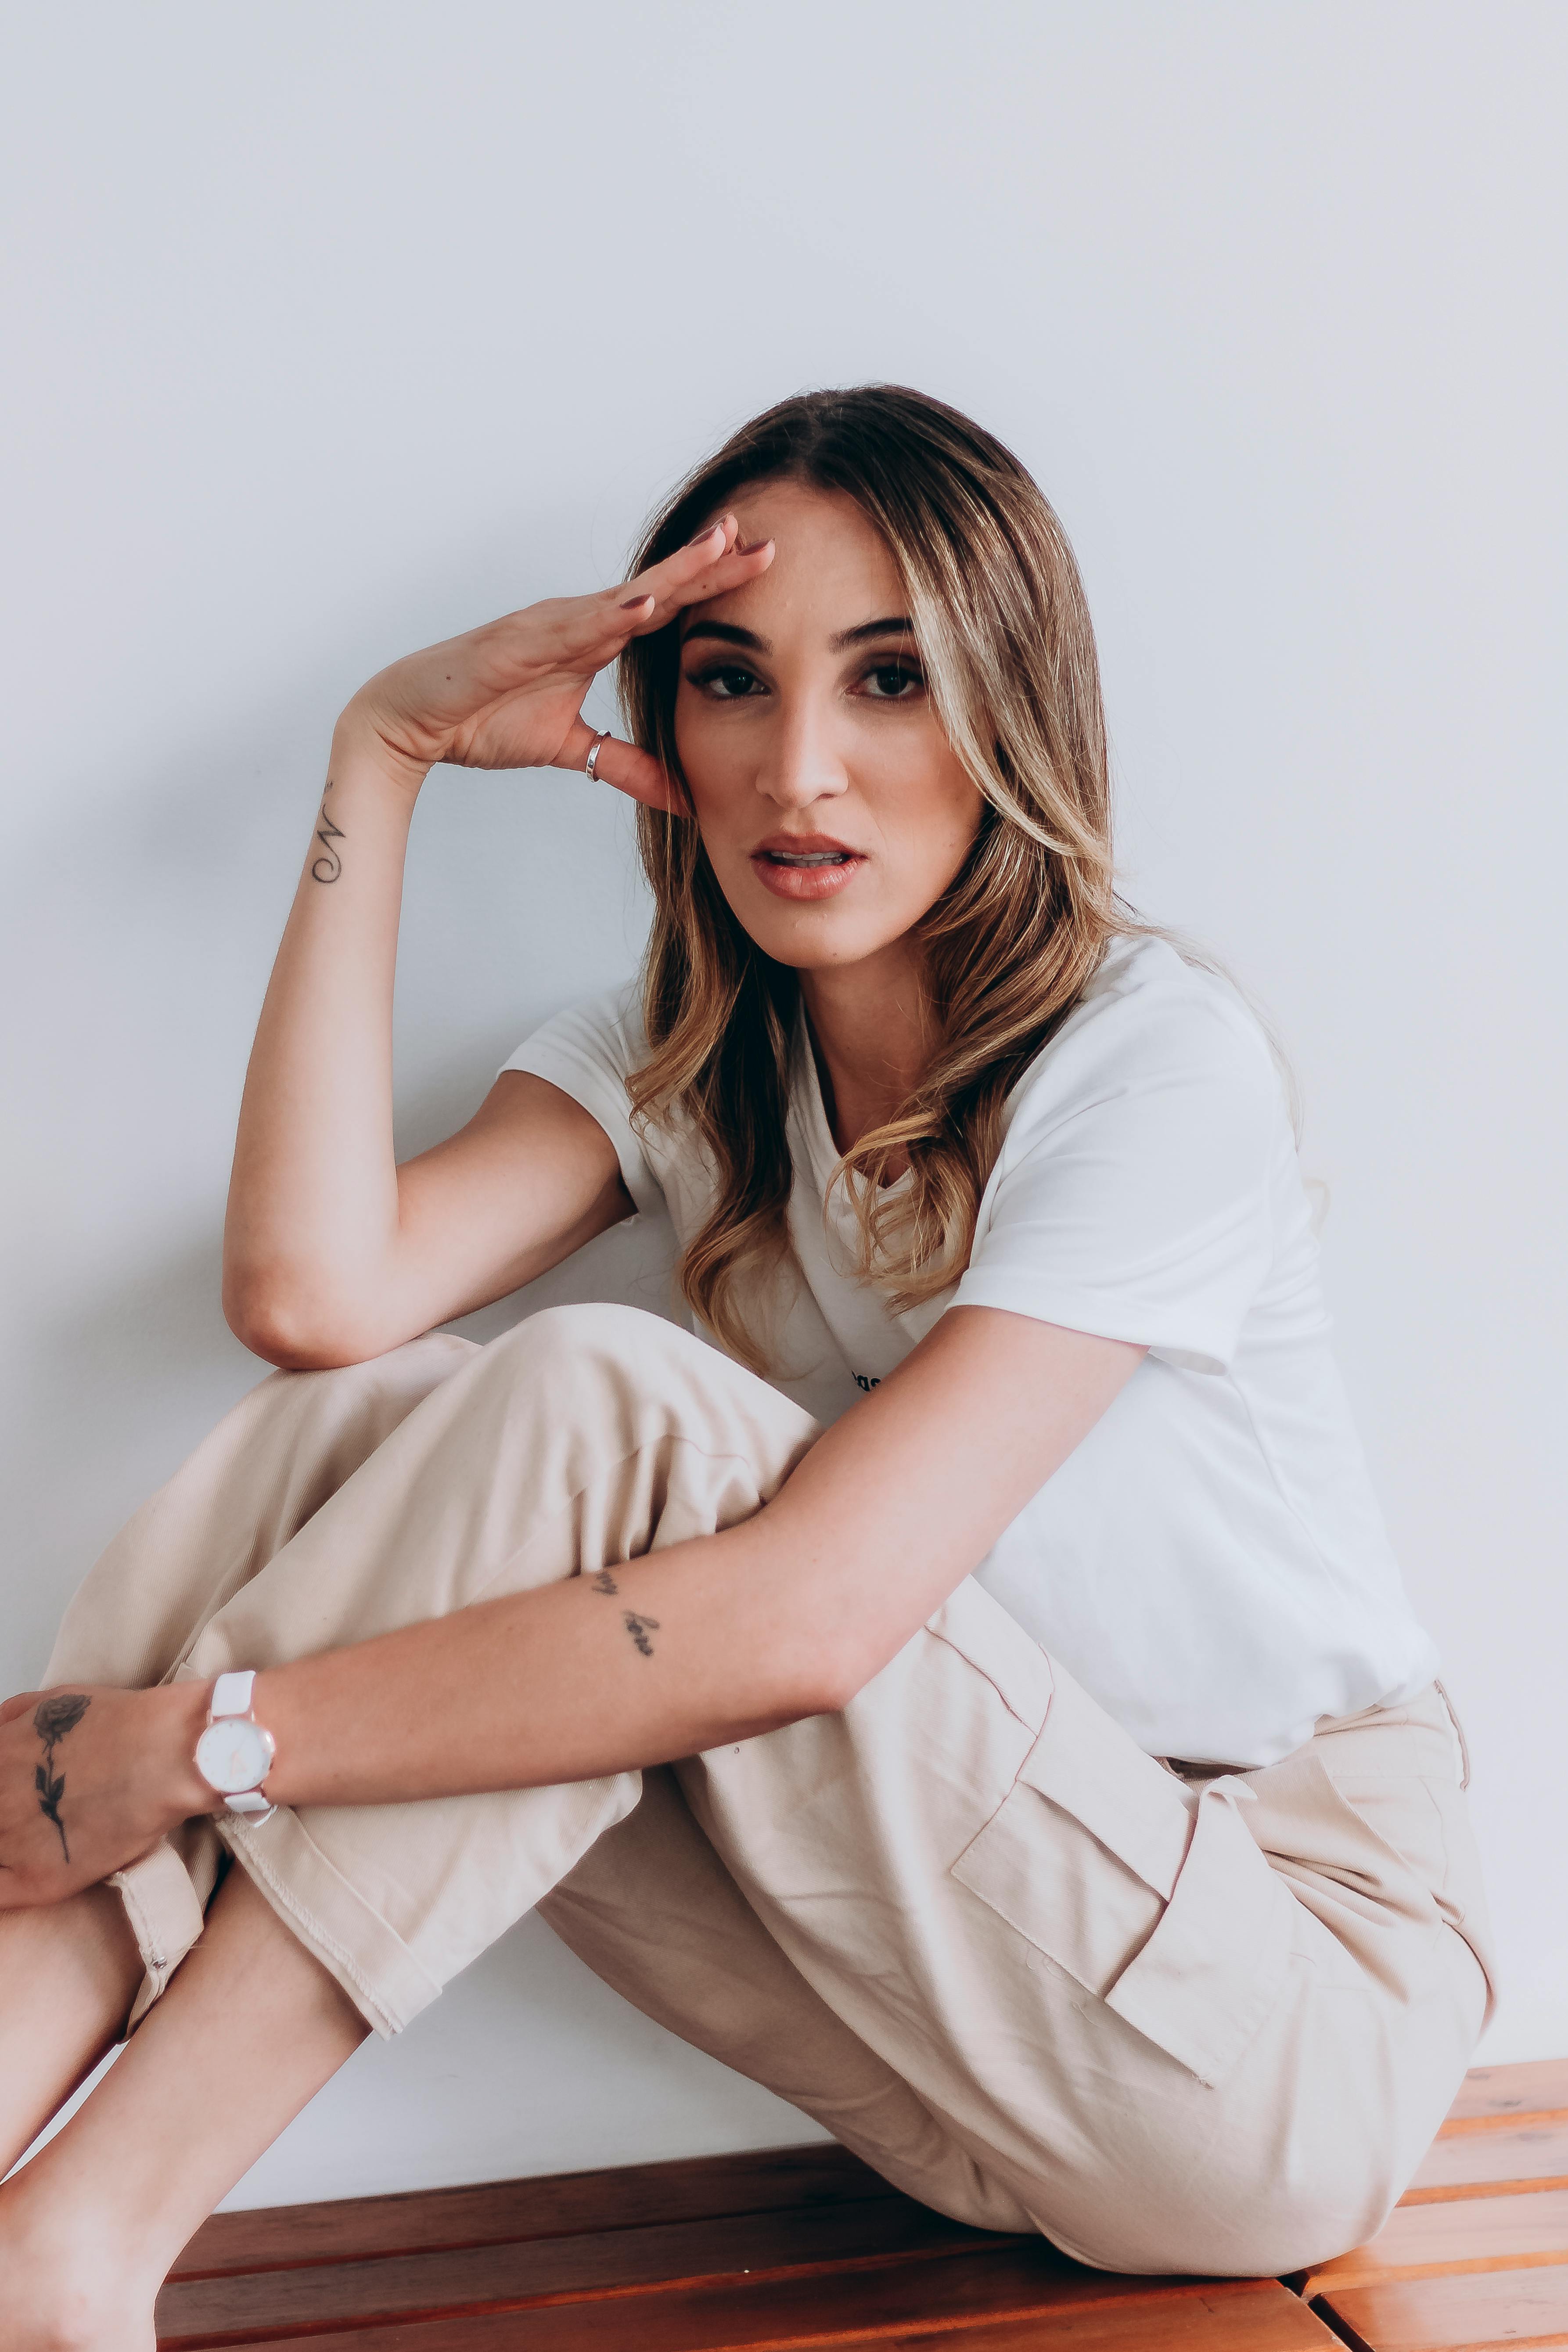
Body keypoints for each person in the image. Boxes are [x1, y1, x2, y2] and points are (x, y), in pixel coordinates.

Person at [0, 387, 1491, 2348]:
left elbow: (813, 1616)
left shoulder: (1150, 1062)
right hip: (952, 2051)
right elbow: (310, 1291)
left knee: (599, 1396)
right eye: (731, 681)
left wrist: (188, 1743)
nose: (800, 768)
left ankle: (77, 2249)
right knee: (357, 1424)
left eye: (887, 680)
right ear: (668, 720)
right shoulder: (696, 1050)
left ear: (1005, 710)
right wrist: (384, 752)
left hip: (1264, 2017)